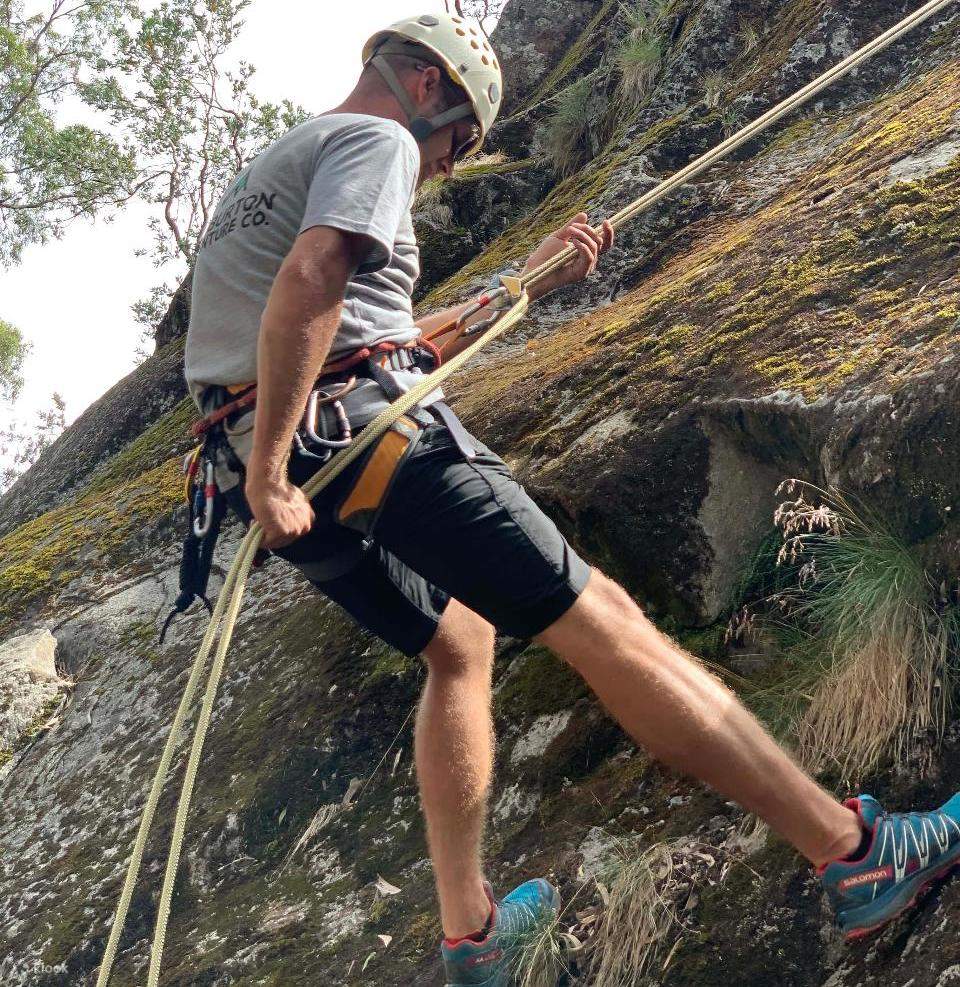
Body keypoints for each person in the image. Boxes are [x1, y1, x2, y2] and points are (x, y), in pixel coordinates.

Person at [184, 13, 960, 984]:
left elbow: (366, 329)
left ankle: (473, 938)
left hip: (286, 455)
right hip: (354, 437)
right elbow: (317, 280)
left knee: (457, 644)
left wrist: (524, 286)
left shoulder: (276, 165)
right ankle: (855, 856)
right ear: (427, 85)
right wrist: (268, 470)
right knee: (609, 625)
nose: (446, 171)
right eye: (459, 143)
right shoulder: (379, 137)